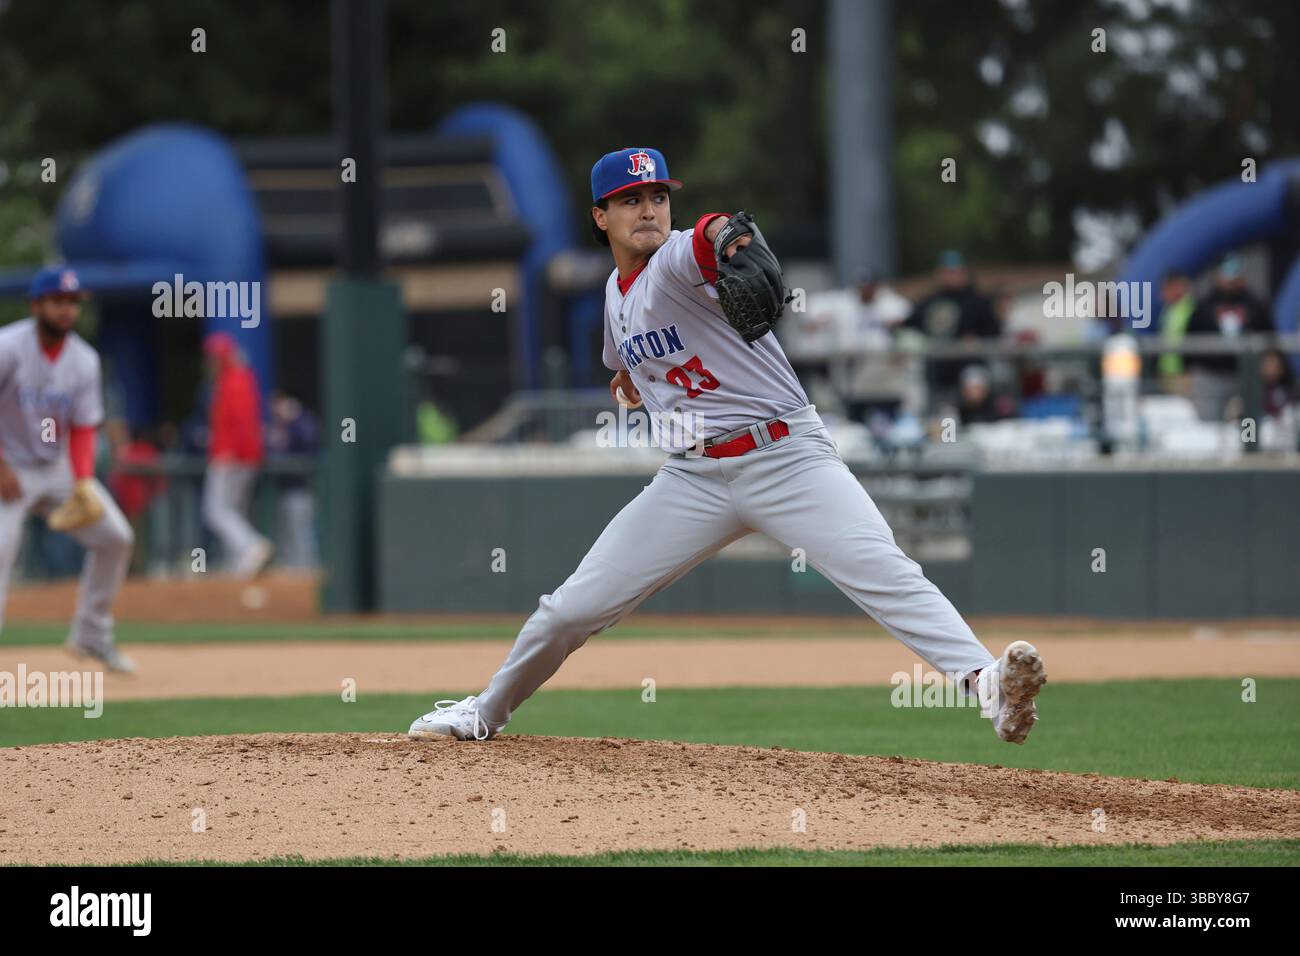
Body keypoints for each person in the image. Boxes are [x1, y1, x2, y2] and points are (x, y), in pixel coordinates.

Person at [408, 146, 1046, 744]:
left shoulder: (680, 257)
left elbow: (713, 232)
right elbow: (626, 370)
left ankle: (986, 684)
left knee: (886, 572)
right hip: (692, 480)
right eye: (630, 200)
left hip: (785, 457)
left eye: (658, 195)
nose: (649, 209)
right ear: (599, 217)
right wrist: (634, 386)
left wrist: (726, 237)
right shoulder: (613, 295)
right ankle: (484, 713)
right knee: (570, 609)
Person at [0, 267, 135, 671]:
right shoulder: (7, 346)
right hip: (9, 463)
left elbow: (82, 427)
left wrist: (82, 480)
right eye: (58, 301)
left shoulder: (84, 360)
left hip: (56, 465)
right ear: (36, 304)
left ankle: (91, 636)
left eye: (73, 303)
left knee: (115, 537)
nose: (66, 310)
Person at [200, 332, 272, 577]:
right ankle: (241, 560)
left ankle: (250, 545)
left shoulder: (236, 380)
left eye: (214, 356)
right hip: (242, 456)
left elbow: (242, 423)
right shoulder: (236, 378)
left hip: (232, 456)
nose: (210, 361)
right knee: (233, 509)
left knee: (216, 511)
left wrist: (230, 452)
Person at [903, 250, 1001, 405]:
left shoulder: (978, 302)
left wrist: (977, 339)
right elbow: (911, 326)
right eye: (946, 272)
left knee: (974, 406)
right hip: (940, 372)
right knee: (943, 415)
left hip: (970, 370)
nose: (950, 276)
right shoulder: (931, 302)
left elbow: (994, 330)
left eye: (954, 272)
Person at [1184, 255, 1273, 420]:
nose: (1230, 280)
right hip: (1210, 375)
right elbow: (1190, 338)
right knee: (1209, 426)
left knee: (1250, 424)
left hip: (1246, 374)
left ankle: (1251, 444)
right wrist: (1188, 370)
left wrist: (1270, 359)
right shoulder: (1204, 305)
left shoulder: (1255, 304)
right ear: (1218, 276)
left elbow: (1269, 335)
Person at [265, 391, 320, 568]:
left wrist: (294, 419)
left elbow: (308, 443)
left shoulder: (302, 421)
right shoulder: (280, 426)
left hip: (302, 488)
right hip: (284, 489)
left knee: (302, 535)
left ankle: (308, 570)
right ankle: (292, 571)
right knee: (287, 537)